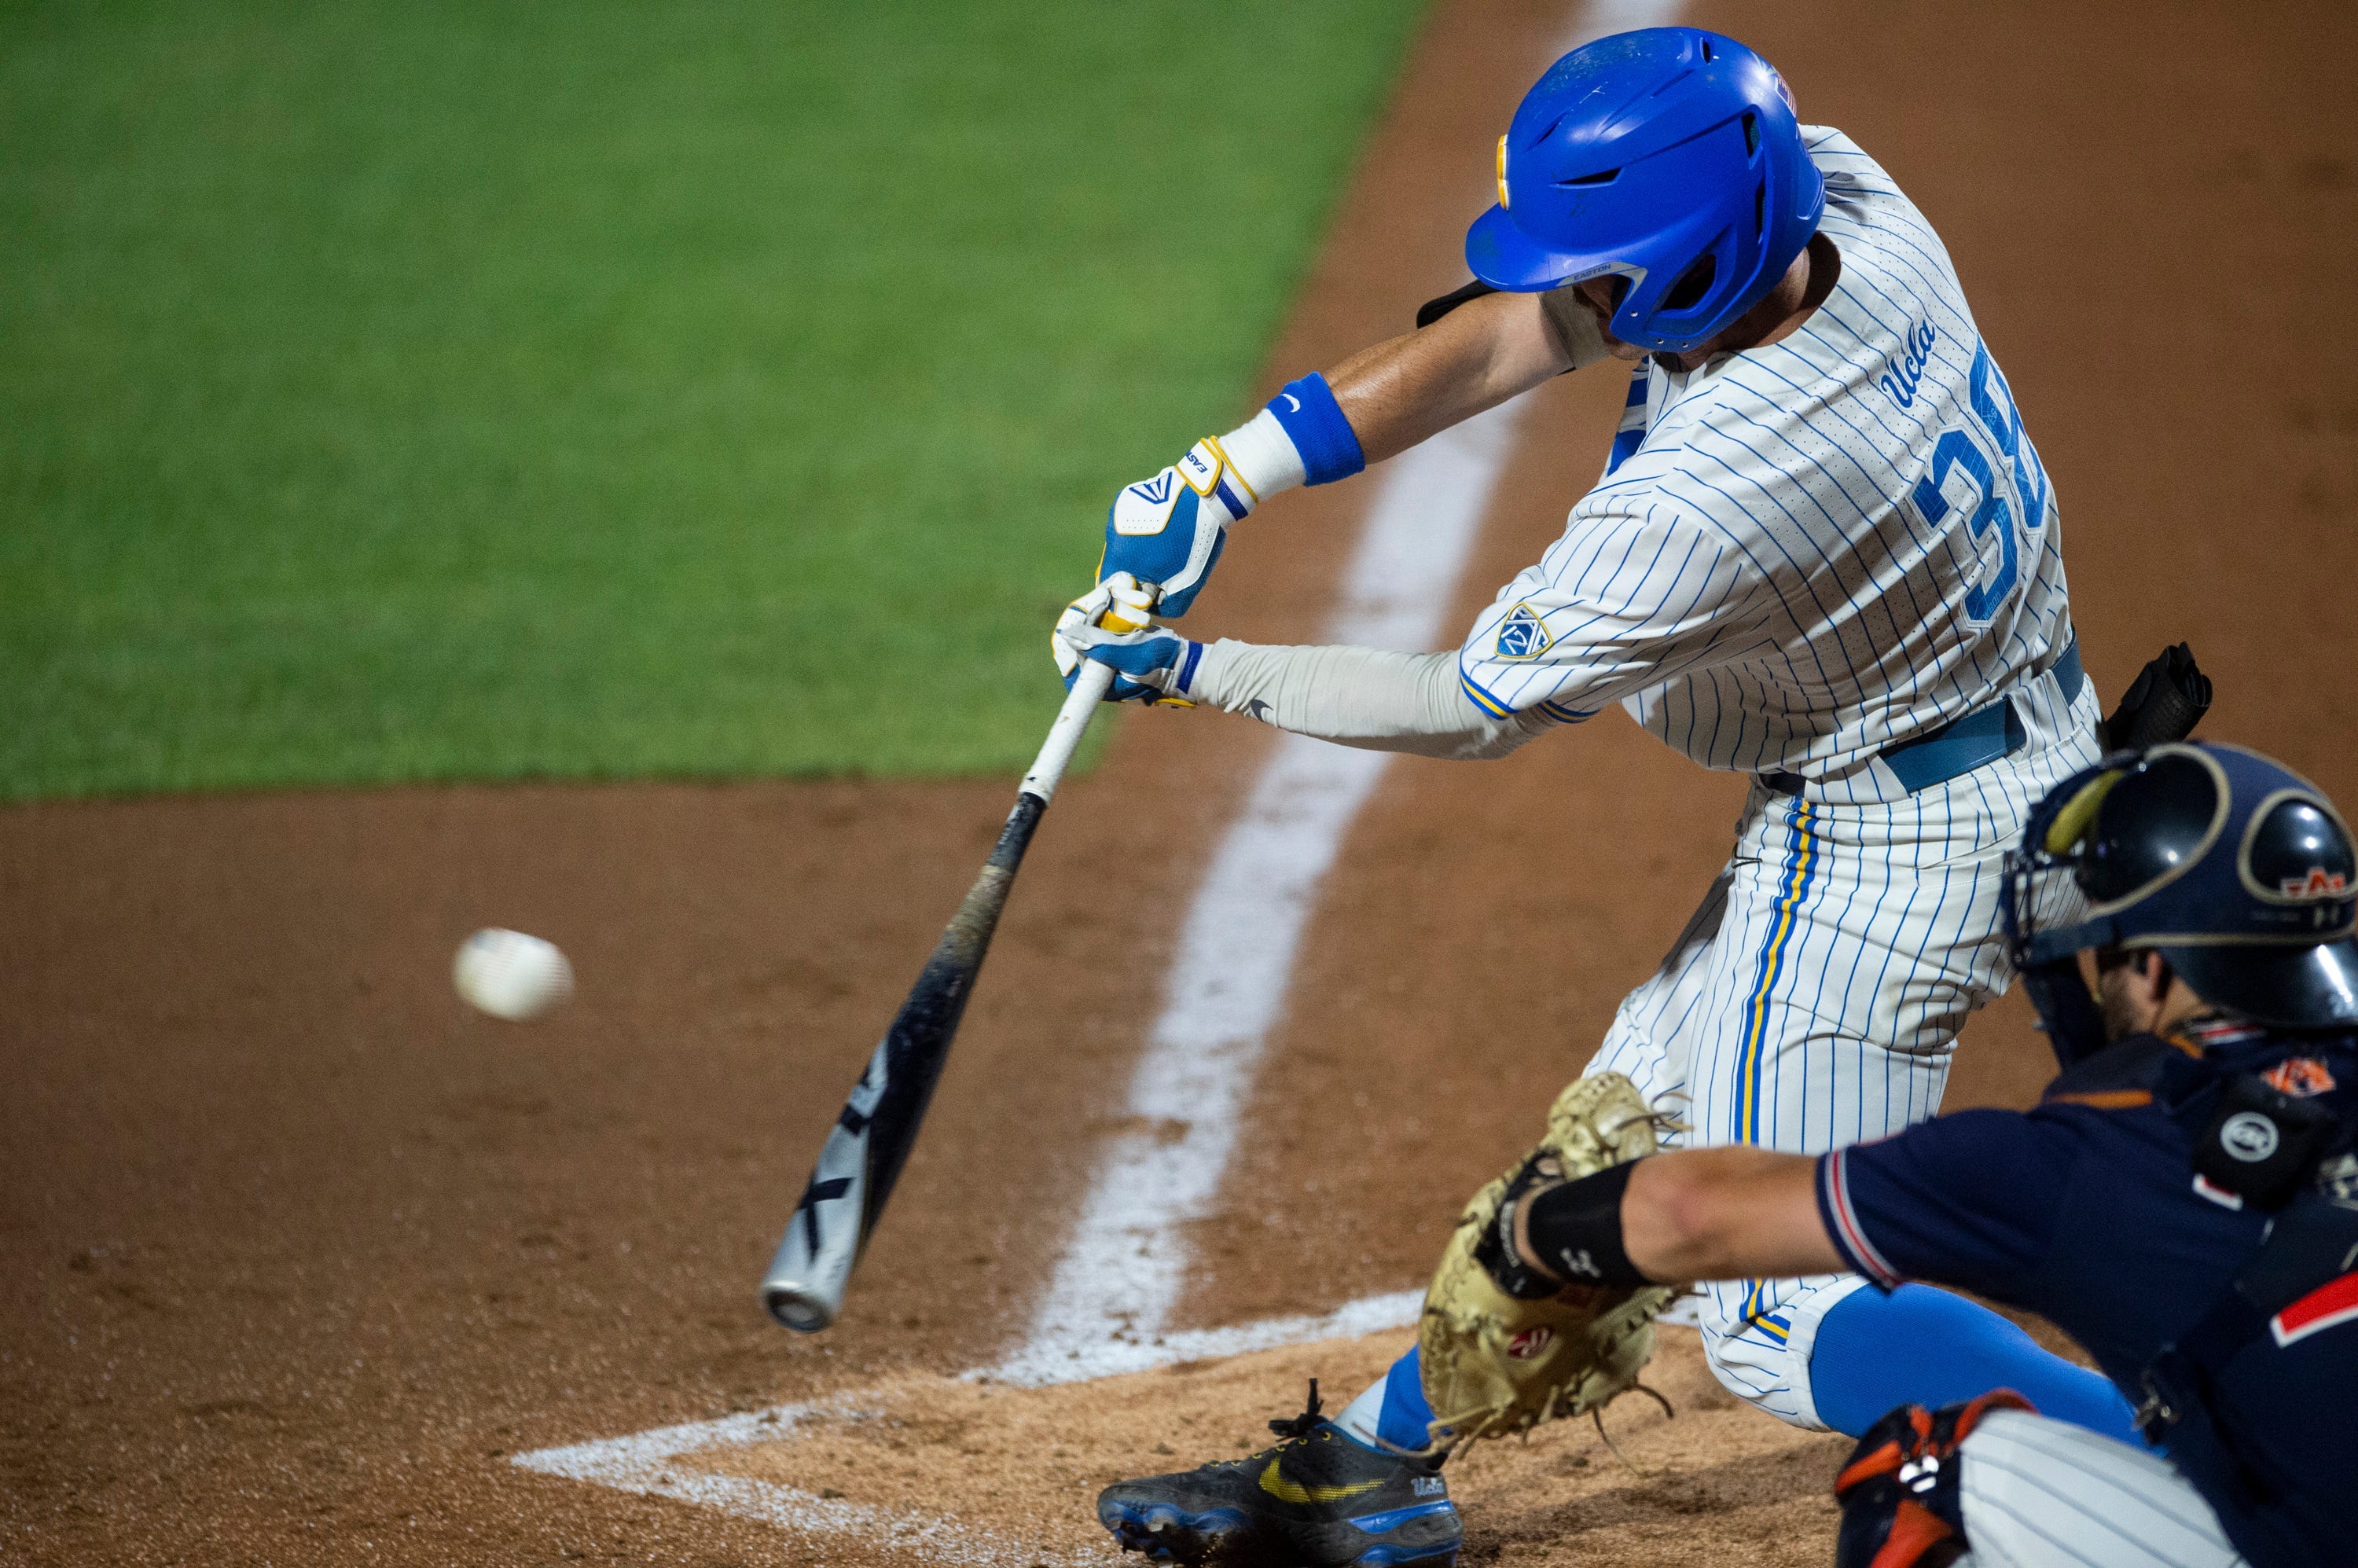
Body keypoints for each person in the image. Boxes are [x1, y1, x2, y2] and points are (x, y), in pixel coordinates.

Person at [1063, 26, 2153, 1568]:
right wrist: (1223, 473)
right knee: (1607, 1157)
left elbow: (1468, 704)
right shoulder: (1841, 198)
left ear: (1693, 269)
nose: (1577, 290)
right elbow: (1525, 329)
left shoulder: (1723, 487)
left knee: (1782, 1317)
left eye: (1606, 266)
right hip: (2011, 740)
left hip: (1889, 851)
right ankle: (1373, 1465)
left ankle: (2191, 1477)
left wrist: (1187, 666)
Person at [1104, 742, 2358, 1566]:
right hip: (1940, 773)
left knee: (1900, 1446)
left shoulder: (2084, 1159)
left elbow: (1699, 1213)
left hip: (1884, 848)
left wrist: (1535, 1234)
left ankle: (1380, 1460)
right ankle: (1382, 1452)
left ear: (2155, 967)